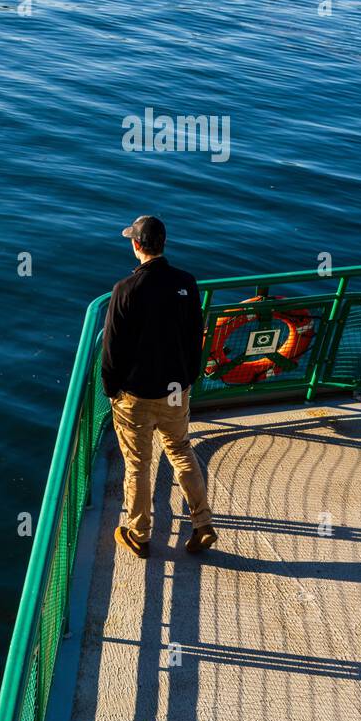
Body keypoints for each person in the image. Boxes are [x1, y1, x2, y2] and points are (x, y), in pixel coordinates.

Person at [101, 216, 216, 559]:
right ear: (163, 244)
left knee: (138, 464)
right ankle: (202, 523)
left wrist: (112, 390)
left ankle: (139, 533)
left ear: (136, 245)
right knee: (180, 449)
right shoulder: (186, 283)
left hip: (135, 395)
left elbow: (112, 350)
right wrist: (187, 378)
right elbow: (196, 337)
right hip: (176, 391)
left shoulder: (124, 290)